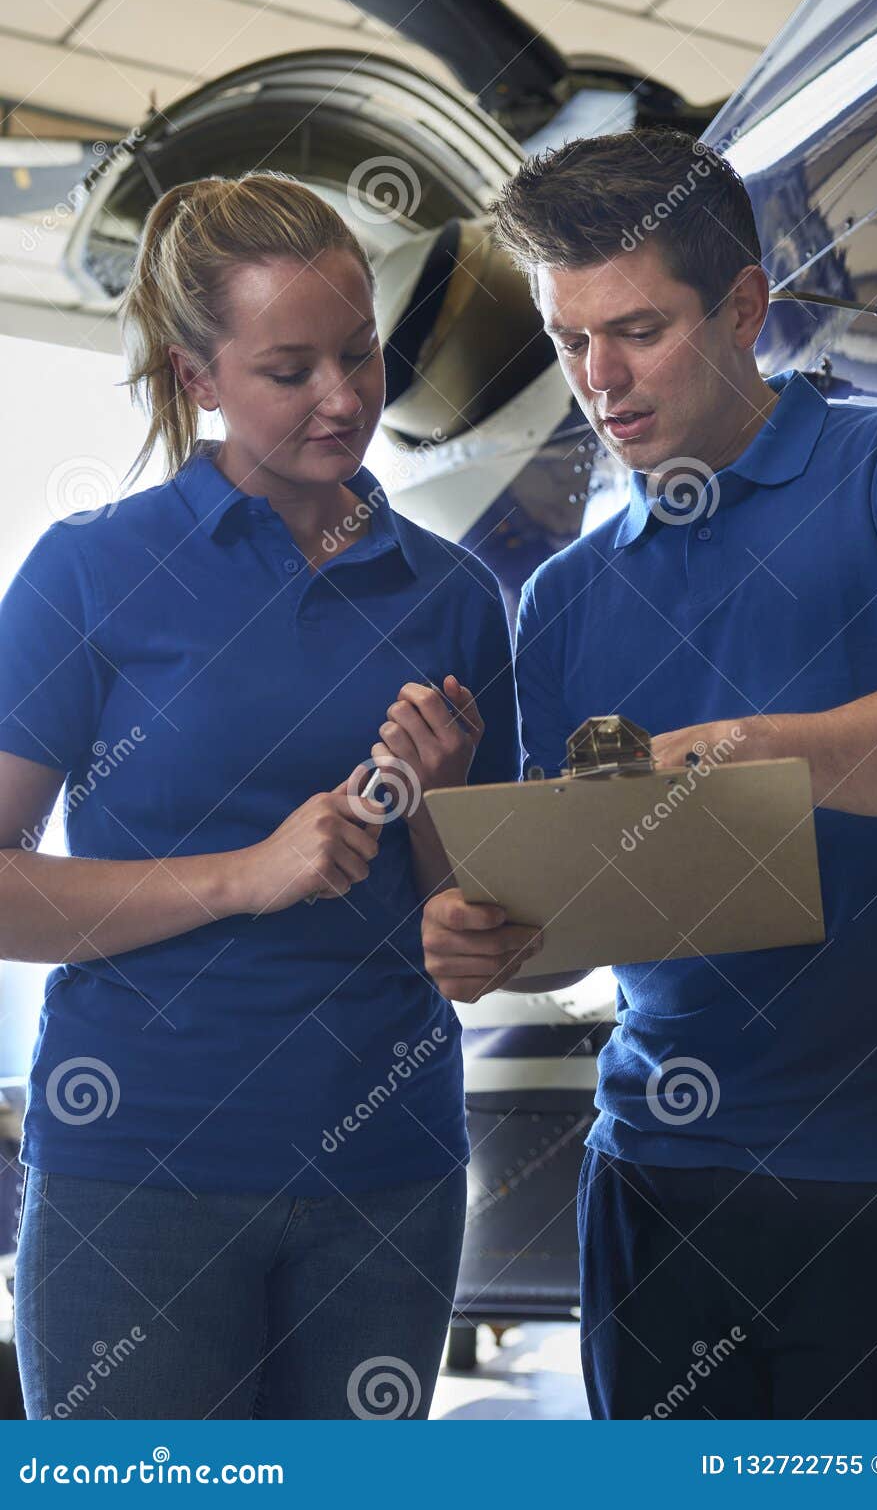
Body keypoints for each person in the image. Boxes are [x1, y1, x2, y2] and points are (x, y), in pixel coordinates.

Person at [414, 128, 877, 1419]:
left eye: (639, 330)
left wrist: (742, 752)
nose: (599, 379)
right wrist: (486, 937)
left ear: (748, 308)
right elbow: (574, 920)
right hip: (658, 1182)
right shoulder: (564, 597)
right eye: (569, 339)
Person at [0, 172, 524, 1419]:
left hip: (388, 1179)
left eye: (361, 353)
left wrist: (451, 817)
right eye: (291, 370)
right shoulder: (92, 571)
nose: (343, 398)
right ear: (200, 380)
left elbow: (477, 941)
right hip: (140, 1176)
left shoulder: (452, 595)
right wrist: (249, 872)